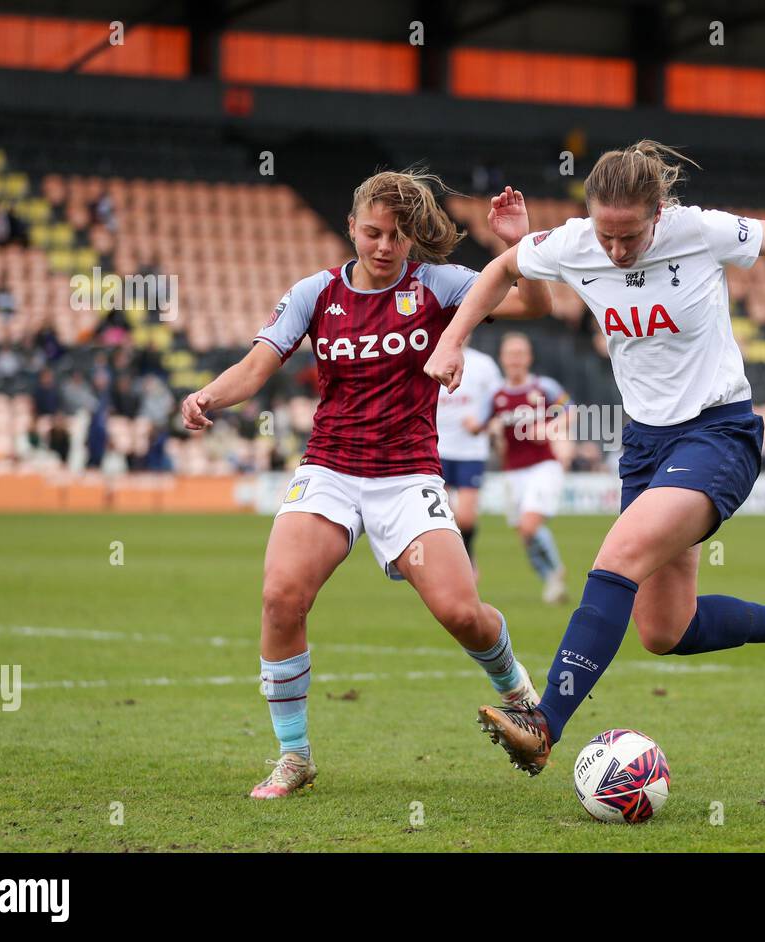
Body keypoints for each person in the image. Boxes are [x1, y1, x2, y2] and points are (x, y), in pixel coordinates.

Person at [424, 140, 765, 774]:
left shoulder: (699, 231)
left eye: (630, 235)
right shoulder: (577, 242)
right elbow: (501, 271)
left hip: (718, 435)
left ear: (659, 213)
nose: (616, 250)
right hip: (645, 445)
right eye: (606, 234)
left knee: (617, 558)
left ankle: (544, 723)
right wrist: (454, 341)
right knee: (665, 630)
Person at [180, 174, 552, 798]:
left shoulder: (438, 284)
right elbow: (256, 365)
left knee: (462, 613)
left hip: (408, 476)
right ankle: (294, 757)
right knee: (280, 598)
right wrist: (207, 396)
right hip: (329, 469)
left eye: (398, 234)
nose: (384, 246)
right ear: (352, 227)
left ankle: (518, 691)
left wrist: (518, 251)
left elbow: (534, 307)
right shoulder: (315, 293)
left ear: (412, 237)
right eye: (373, 232)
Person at [490, 331, 569, 604]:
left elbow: (571, 411)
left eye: (520, 354)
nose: (515, 360)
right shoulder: (496, 393)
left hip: (543, 466)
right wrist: (490, 429)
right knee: (525, 535)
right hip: (512, 471)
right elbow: (482, 424)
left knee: (529, 524)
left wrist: (548, 427)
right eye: (510, 354)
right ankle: (550, 582)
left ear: (529, 357)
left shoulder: (542, 387)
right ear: (502, 358)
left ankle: (557, 571)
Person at [435, 341, 503, 569]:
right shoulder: (432, 356)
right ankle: (454, 565)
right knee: (442, 516)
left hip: (471, 449)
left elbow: (499, 401)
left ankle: (468, 555)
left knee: (465, 517)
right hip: (435, 447)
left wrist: (482, 423)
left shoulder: (483, 363)